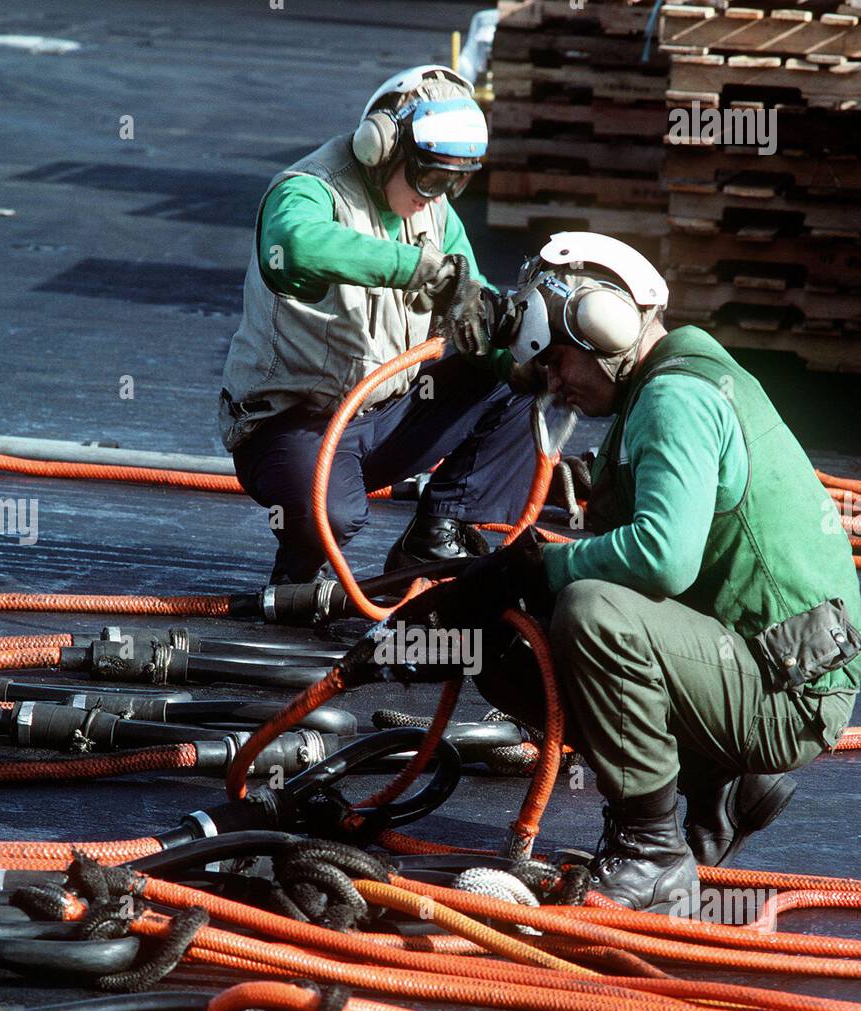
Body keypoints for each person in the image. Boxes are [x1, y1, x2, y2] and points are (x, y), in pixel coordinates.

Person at [401, 231, 861, 912]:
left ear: (606, 328)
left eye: (558, 362)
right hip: (762, 656)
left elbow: (662, 559)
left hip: (788, 693)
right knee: (512, 641)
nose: (555, 384)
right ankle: (716, 778)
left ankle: (652, 854)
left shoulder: (676, 400)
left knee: (591, 613)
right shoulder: (667, 380)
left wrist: (545, 565)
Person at [219, 64, 540, 587]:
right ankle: (299, 577)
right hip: (293, 425)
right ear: (383, 147)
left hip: (384, 415)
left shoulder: (436, 214)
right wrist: (418, 269)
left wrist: (518, 358)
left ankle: (437, 532)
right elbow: (297, 244)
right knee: (332, 518)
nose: (436, 195)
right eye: (430, 176)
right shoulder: (308, 190)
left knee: (525, 387)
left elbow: (473, 306)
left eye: (456, 182)